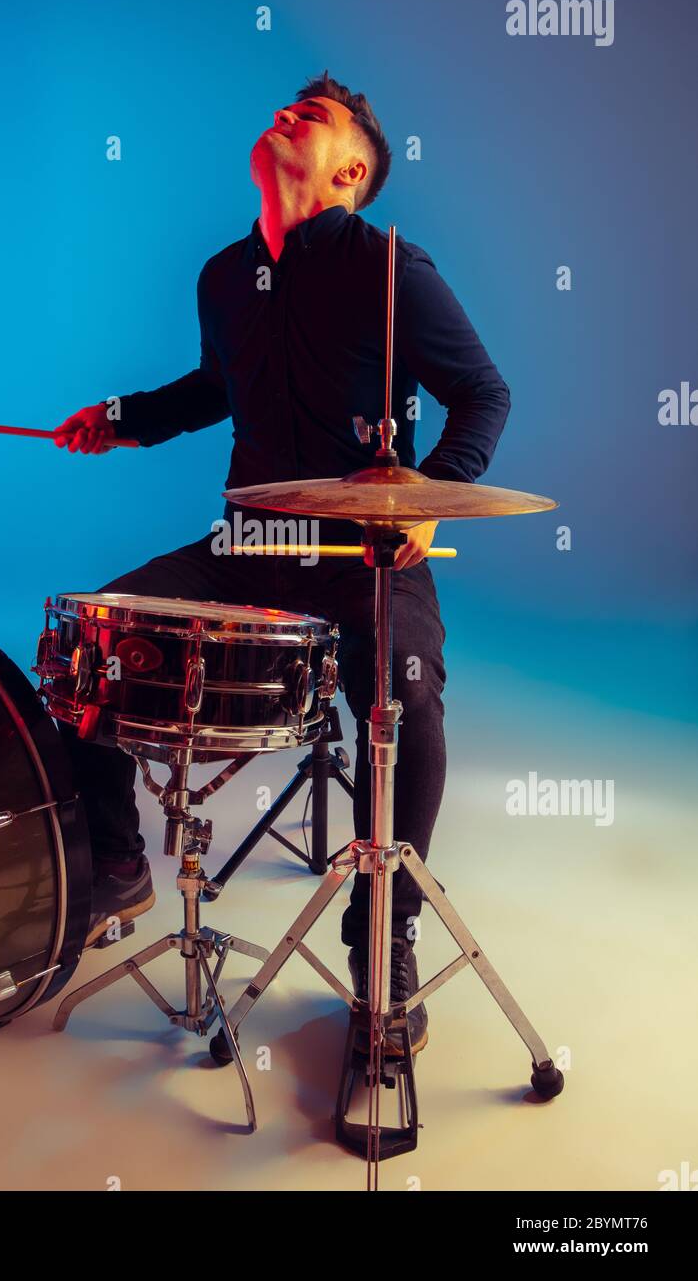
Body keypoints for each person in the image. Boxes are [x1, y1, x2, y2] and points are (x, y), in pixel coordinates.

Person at [54, 71, 511, 1053]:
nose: (283, 116)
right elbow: (215, 388)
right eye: (284, 108)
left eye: (312, 116)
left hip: (362, 552)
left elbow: (482, 393)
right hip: (248, 546)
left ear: (350, 171)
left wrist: (427, 500)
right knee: (93, 637)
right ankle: (119, 863)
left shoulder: (389, 266)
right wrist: (121, 418)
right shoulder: (224, 276)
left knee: (407, 695)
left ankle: (384, 932)